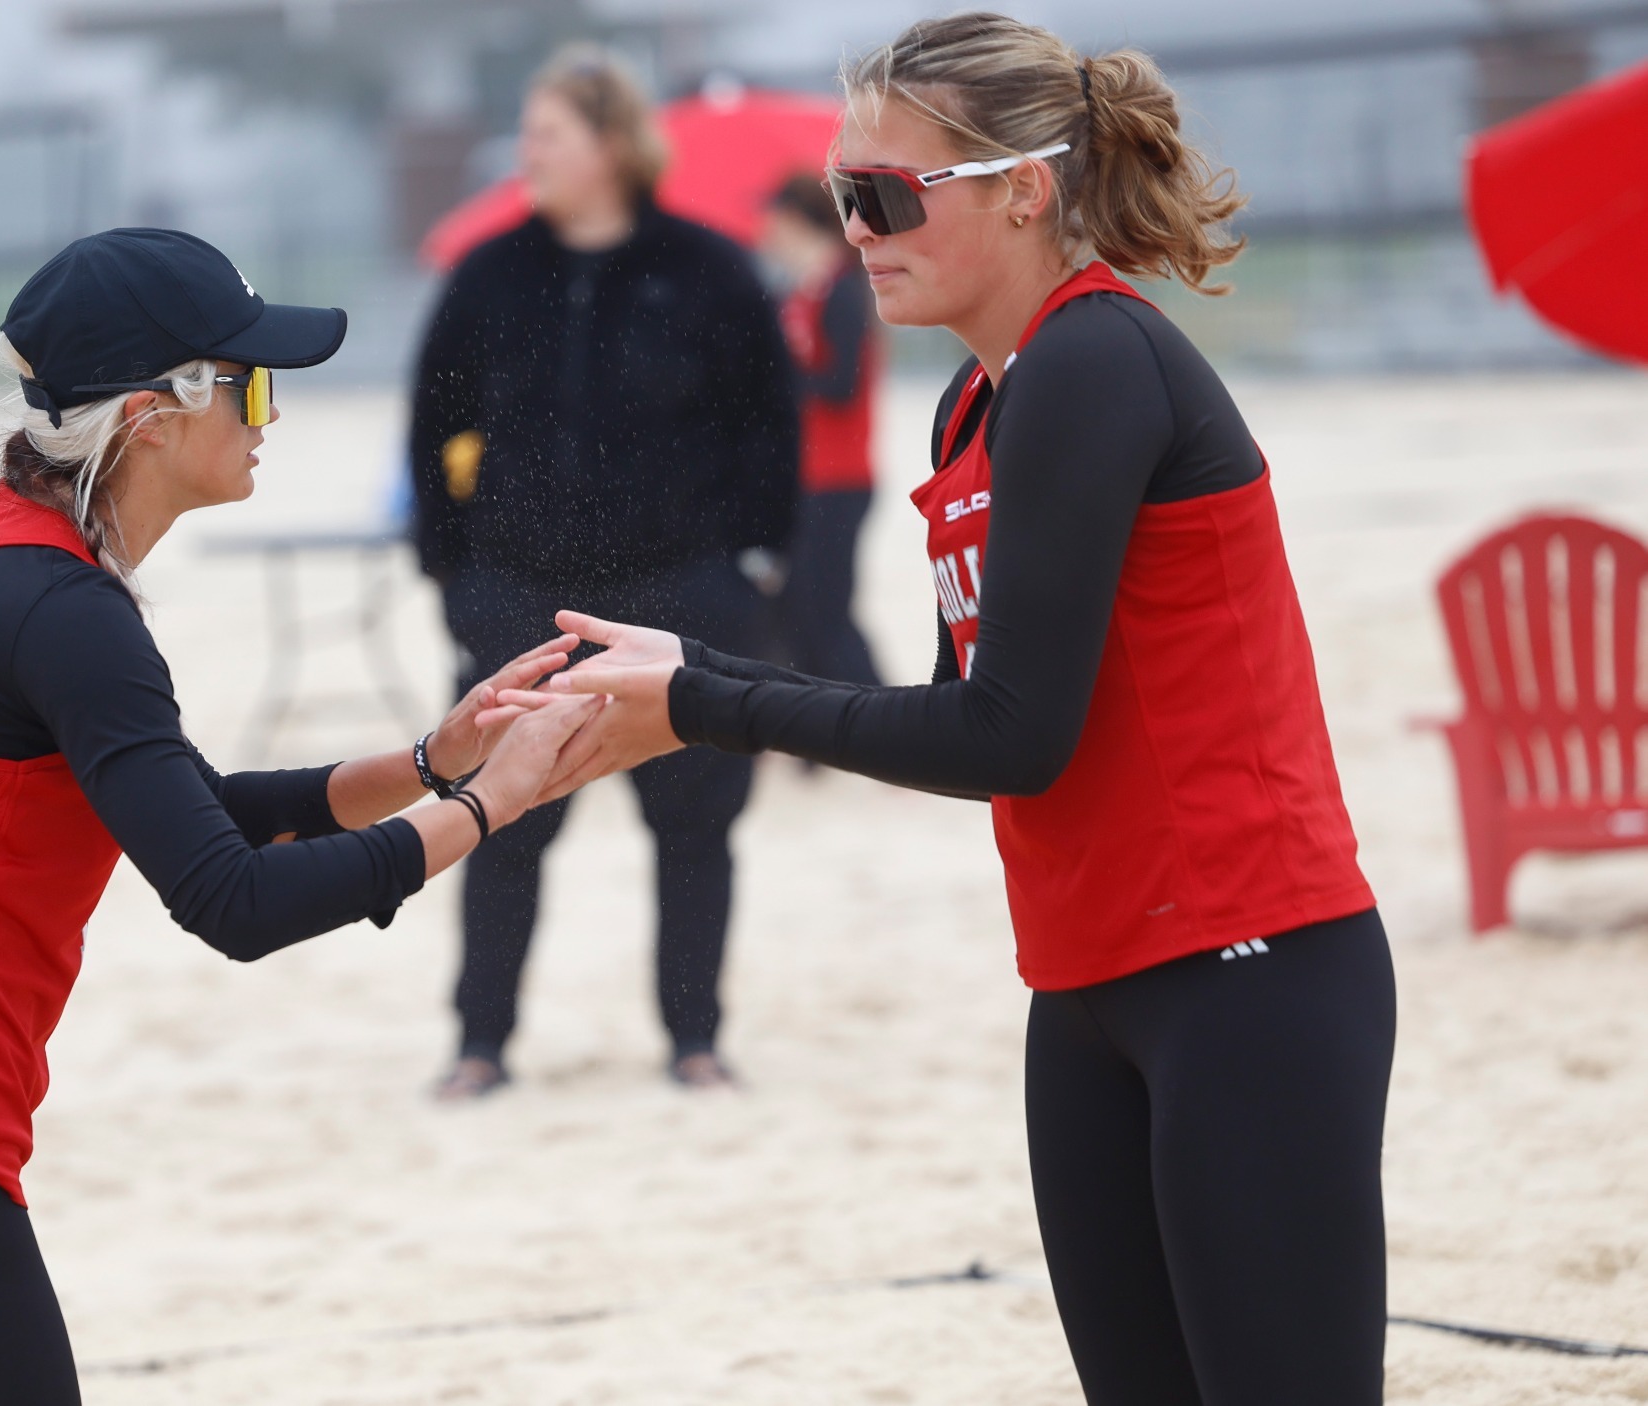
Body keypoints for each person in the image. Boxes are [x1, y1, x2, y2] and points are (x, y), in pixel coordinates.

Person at [512, 15, 1393, 1404]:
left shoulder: (1098, 358)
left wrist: (703, 701)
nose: (853, 229)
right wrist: (702, 669)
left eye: (884, 194)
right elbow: (957, 722)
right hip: (1086, 979)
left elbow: (1014, 736)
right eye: (840, 194)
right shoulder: (976, 405)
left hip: (1248, 965)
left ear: (1024, 189)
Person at [0, 227, 602, 1406]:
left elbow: (193, 812)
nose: (271, 414)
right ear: (150, 414)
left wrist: (433, 760)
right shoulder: (65, 608)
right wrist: (491, 804)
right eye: (249, 385)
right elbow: (232, 901)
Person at [409, 44, 798, 1097]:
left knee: (695, 830)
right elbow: (434, 428)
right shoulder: (488, 273)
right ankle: (480, 1044)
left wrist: (750, 569)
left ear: (614, 143)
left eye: (548, 134)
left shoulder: (710, 269)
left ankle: (695, 1040)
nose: (526, 153)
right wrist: (454, 575)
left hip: (682, 594)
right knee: (498, 826)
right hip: (522, 596)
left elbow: (770, 427)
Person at [762, 173, 884, 688]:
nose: (765, 232)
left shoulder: (842, 290)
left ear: (795, 221)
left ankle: (882, 708)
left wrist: (778, 375)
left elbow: (840, 385)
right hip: (805, 476)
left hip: (839, 478)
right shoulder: (800, 292)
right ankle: (816, 718)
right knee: (793, 612)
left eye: (773, 220)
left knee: (825, 613)